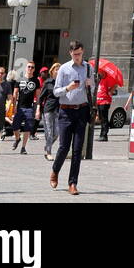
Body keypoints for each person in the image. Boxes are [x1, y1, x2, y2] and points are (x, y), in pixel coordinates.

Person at [49, 41, 94, 196]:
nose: (77, 57)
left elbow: (92, 88)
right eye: (75, 54)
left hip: (82, 110)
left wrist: (90, 85)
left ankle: (73, 183)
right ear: (70, 53)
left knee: (77, 149)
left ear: (83, 52)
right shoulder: (64, 68)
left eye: (79, 54)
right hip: (66, 111)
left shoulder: (88, 68)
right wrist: (68, 88)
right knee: (64, 147)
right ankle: (55, 170)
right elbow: (56, 92)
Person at [12, 61, 39, 153]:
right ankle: (17, 138)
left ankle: (23, 147)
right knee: (15, 126)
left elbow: (38, 96)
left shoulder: (36, 81)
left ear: (34, 69)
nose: (30, 68)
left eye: (32, 67)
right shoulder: (20, 79)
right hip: (19, 107)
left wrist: (37, 109)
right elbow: (15, 93)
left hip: (29, 108)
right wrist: (14, 106)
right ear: (26, 68)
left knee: (27, 128)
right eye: (29, 67)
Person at [36, 63, 60, 160]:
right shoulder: (48, 83)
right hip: (48, 109)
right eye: (56, 69)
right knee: (49, 133)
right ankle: (48, 152)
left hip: (58, 110)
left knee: (56, 133)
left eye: (60, 69)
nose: (58, 71)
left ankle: (47, 146)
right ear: (52, 71)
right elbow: (41, 97)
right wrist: (38, 110)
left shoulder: (62, 83)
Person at [95, 64, 119, 142]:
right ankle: (102, 134)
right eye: (99, 72)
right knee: (101, 119)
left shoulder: (108, 79)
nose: (99, 73)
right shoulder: (99, 80)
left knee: (104, 119)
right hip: (99, 101)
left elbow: (115, 85)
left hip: (105, 102)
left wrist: (110, 91)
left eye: (100, 72)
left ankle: (104, 135)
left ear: (104, 72)